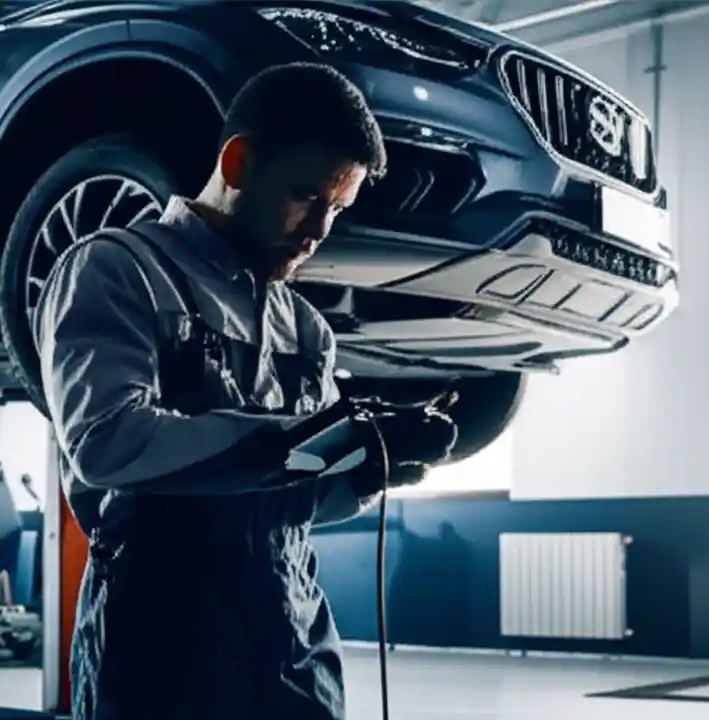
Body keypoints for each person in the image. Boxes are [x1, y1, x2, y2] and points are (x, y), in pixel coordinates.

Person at [34, 62, 458, 720]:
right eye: (306, 197)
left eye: (337, 210)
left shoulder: (308, 329)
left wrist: (369, 462)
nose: (320, 229)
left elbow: (302, 494)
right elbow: (107, 442)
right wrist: (308, 439)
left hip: (293, 638)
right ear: (237, 162)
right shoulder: (119, 270)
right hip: (161, 644)